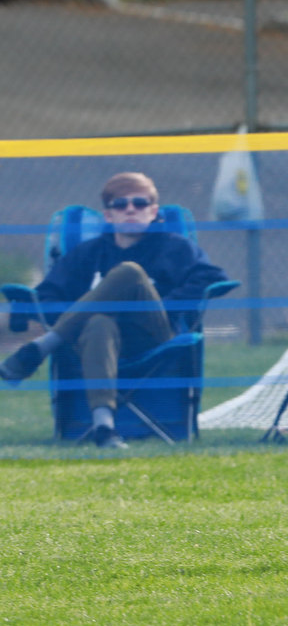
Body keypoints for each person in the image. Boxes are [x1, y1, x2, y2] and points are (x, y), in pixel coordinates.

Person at [0, 172, 229, 448]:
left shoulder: (175, 247)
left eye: (140, 204)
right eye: (120, 204)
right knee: (98, 323)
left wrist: (164, 304)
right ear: (108, 215)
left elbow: (212, 278)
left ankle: (42, 346)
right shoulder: (87, 254)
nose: (130, 209)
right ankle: (104, 428)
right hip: (93, 342)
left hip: (153, 335)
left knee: (129, 273)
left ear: (153, 212)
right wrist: (74, 318)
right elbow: (47, 296)